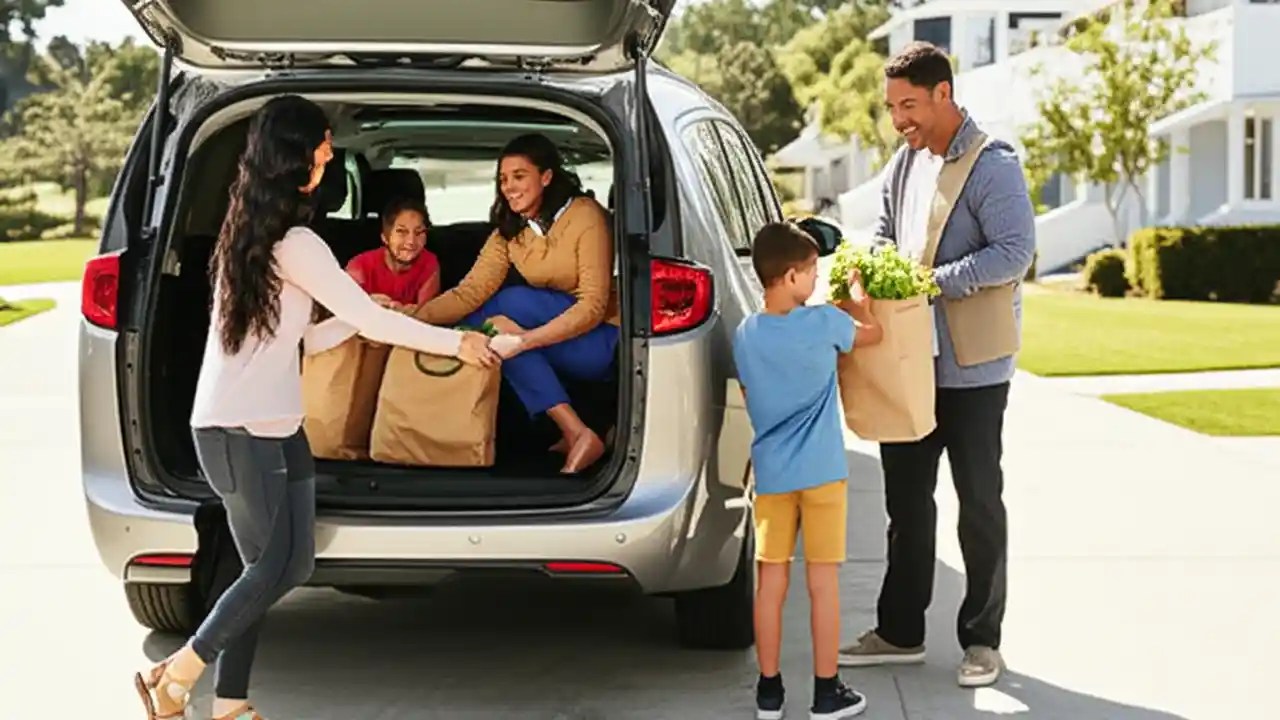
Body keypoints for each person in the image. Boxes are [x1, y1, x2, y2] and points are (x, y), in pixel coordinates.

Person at [132, 95, 499, 720]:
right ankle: (177, 674)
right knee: (266, 568)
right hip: (236, 429)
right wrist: (456, 343)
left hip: (279, 426)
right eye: (322, 145)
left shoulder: (257, 234)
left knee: (287, 564)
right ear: (294, 155)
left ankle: (227, 703)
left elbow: (308, 338)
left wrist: (362, 316)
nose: (329, 154)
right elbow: (369, 322)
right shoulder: (294, 241)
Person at [836, 41, 1036, 688]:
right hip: (906, 364)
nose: (899, 119)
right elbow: (887, 236)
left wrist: (929, 283)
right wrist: (872, 272)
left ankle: (981, 641)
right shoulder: (903, 164)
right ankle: (900, 631)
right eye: (892, 107)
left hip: (973, 369)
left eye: (909, 105)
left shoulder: (991, 163)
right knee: (906, 505)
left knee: (978, 504)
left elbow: (1014, 252)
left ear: (943, 94)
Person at [733, 222, 883, 720]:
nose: (817, 278)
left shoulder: (746, 334)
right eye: (812, 270)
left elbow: (751, 396)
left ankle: (769, 693)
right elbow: (874, 335)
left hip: (773, 476)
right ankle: (826, 693)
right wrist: (859, 304)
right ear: (792, 276)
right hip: (822, 472)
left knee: (770, 584)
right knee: (823, 585)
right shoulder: (824, 323)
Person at [414, 132, 619, 474]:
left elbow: (593, 306)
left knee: (508, 306)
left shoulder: (585, 216)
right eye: (503, 179)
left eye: (519, 176)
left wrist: (524, 340)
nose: (508, 187)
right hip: (558, 341)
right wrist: (408, 320)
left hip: (601, 342)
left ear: (546, 177)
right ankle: (576, 432)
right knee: (487, 328)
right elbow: (469, 292)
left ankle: (577, 433)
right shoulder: (510, 231)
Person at [345, 195, 441, 310]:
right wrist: (366, 304)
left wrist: (404, 311)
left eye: (419, 232)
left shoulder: (429, 264)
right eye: (401, 231)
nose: (411, 241)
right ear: (385, 237)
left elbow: (427, 313)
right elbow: (342, 308)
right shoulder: (359, 267)